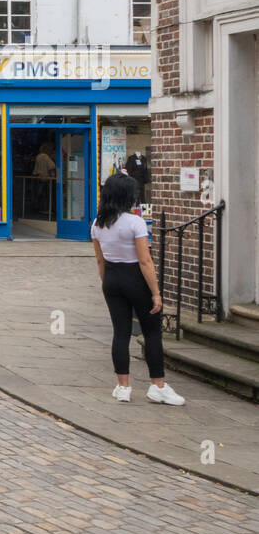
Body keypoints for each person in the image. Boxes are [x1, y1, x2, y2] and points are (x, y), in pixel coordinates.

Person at [92, 173, 185, 405]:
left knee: (120, 333)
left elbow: (100, 261)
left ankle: (123, 387)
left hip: (112, 278)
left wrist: (107, 284)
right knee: (152, 331)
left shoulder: (97, 223)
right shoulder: (135, 222)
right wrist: (156, 292)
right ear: (128, 196)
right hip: (135, 278)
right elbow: (145, 261)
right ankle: (158, 386)